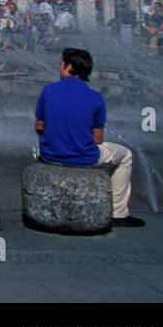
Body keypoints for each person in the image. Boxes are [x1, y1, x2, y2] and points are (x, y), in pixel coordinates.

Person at [34, 47, 143, 227]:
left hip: (49, 155)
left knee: (39, 146)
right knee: (125, 156)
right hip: (85, 158)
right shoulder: (96, 97)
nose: (59, 68)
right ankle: (119, 213)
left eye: (61, 64)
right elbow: (97, 140)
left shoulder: (48, 90)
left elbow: (39, 126)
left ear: (69, 67)